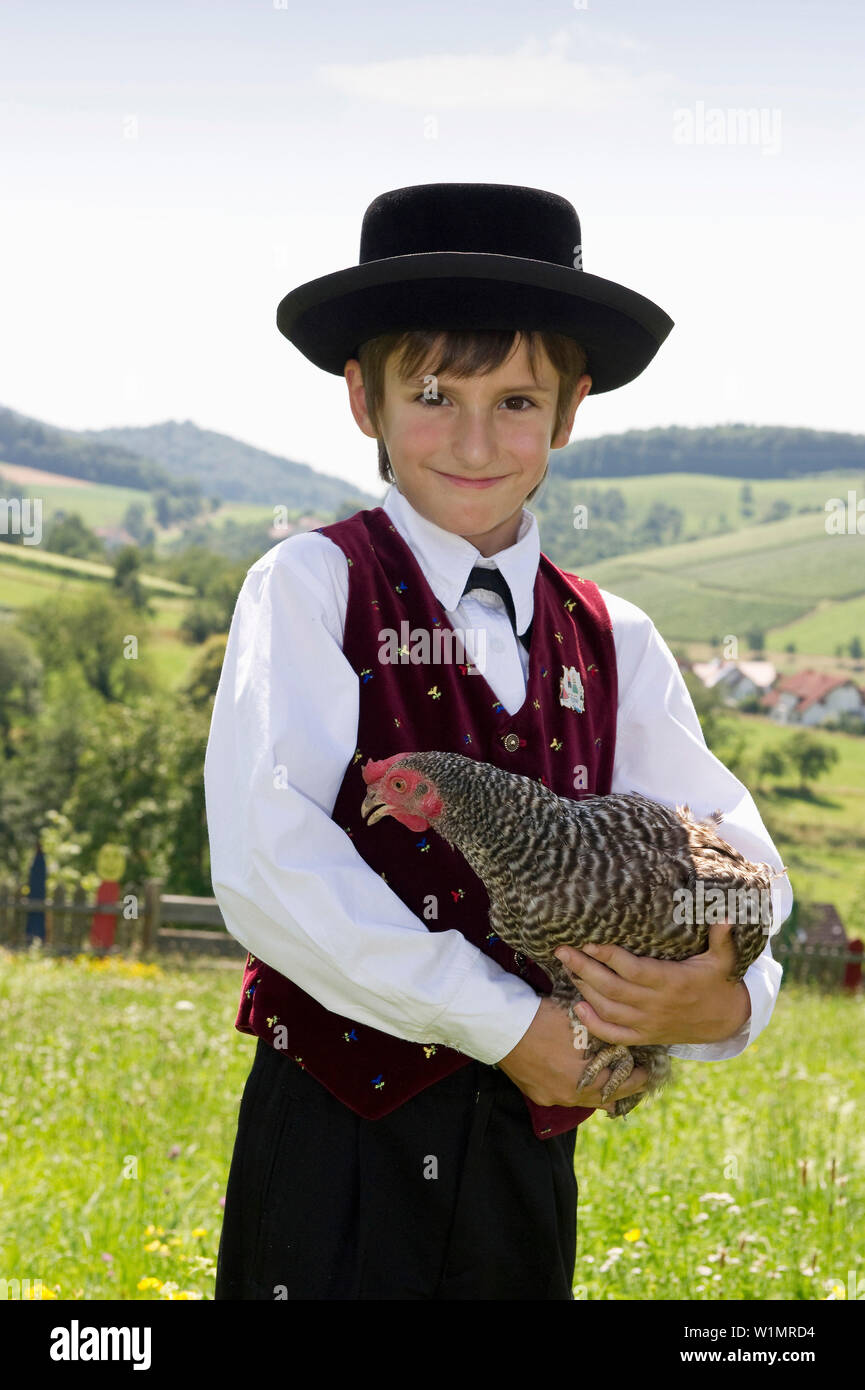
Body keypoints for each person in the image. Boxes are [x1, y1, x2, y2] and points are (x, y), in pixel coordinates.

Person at [204, 182, 792, 1301]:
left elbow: (735, 857)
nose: (474, 440)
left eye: (516, 401)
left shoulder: (613, 633)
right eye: (432, 394)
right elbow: (273, 863)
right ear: (361, 400)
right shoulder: (313, 584)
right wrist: (509, 1023)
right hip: (338, 1144)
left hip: (530, 1150)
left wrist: (729, 997)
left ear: (568, 412)